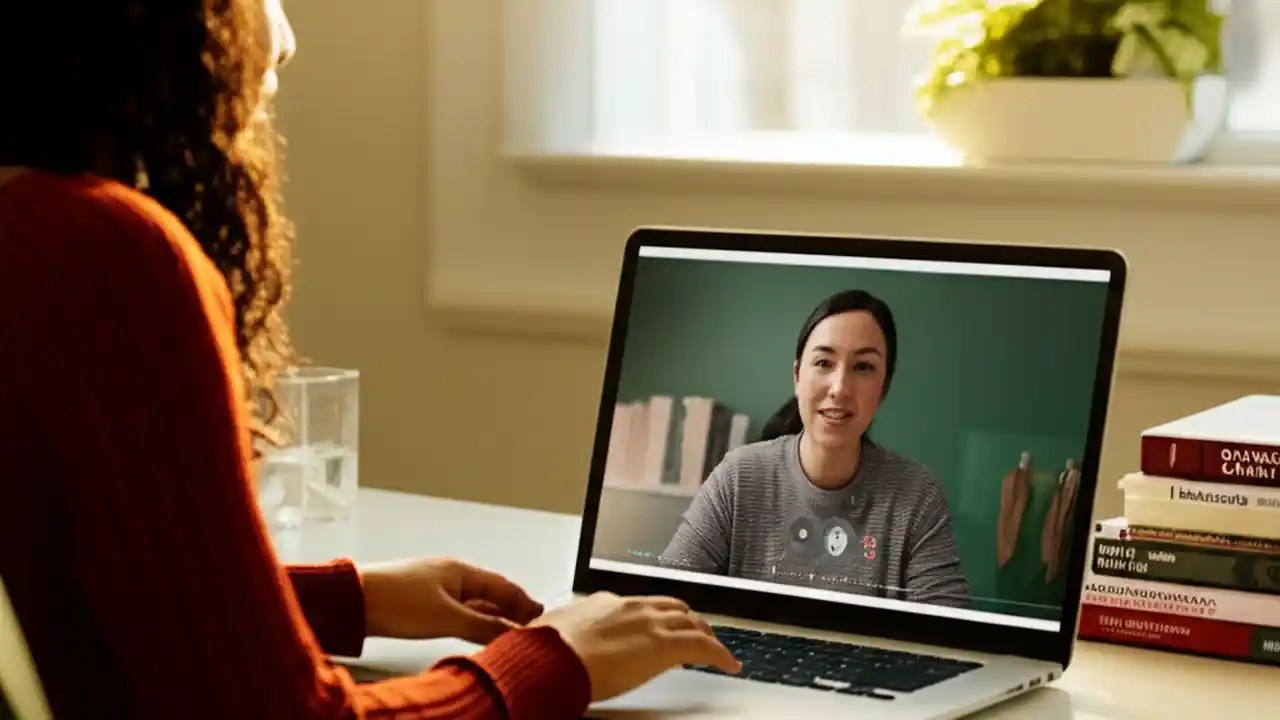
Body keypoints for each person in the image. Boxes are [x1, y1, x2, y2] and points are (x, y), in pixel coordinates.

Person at [0, 1, 739, 718]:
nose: (284, 38)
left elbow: (63, 594)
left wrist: (344, 600)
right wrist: (557, 658)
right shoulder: (99, 261)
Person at [661, 289, 972, 608]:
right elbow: (666, 602)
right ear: (797, 376)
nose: (839, 388)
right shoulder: (738, 477)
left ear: (884, 388)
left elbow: (948, 626)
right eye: (824, 362)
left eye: (863, 367)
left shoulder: (917, 496)